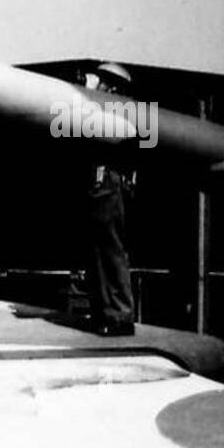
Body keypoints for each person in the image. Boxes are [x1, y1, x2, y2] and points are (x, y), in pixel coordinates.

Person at [83, 63, 136, 337]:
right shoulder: (110, 112)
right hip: (101, 186)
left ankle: (119, 316)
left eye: (101, 82)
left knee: (110, 251)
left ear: (112, 86)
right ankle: (105, 312)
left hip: (108, 187)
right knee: (99, 252)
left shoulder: (119, 113)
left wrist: (88, 96)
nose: (97, 85)